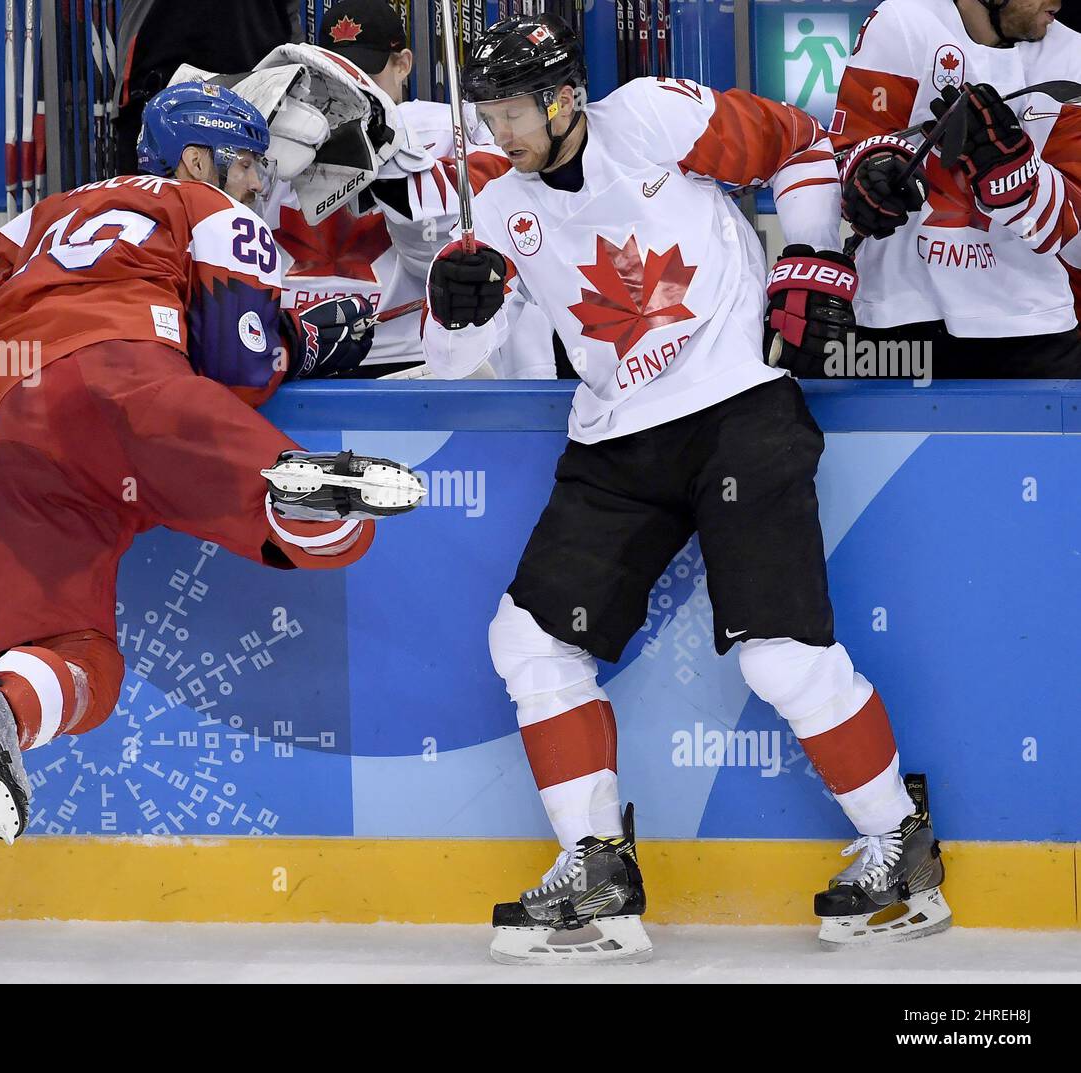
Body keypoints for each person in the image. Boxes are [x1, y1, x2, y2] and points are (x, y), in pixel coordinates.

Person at [423, 13, 949, 962]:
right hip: (618, 442)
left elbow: (801, 142)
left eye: (510, 109)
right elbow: (451, 367)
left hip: (738, 406)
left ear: (563, 96)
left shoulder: (654, 116)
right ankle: (597, 865)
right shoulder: (498, 208)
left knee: (778, 658)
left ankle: (898, 843)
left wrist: (809, 254)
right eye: (486, 111)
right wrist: (452, 307)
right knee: (527, 640)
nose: (498, 131)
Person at [0, 83, 422, 844]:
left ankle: (1, 712)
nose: (257, 183)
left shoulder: (47, 214)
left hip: (21, 431)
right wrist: (297, 338)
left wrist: (43, 324)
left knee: (75, 656)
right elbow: (239, 368)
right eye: (247, 163)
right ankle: (295, 495)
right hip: (133, 393)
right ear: (196, 159)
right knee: (343, 537)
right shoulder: (206, 207)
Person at [223, 0, 556, 377]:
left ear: (403, 64)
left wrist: (390, 160)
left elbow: (500, 201)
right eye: (337, 72)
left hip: (408, 358)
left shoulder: (447, 125)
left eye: (365, 71)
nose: (353, 87)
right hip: (296, 350)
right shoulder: (278, 131)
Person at [835, 0, 1081, 377]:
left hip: (1031, 324)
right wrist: (870, 176)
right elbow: (845, 158)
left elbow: (1076, 241)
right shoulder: (904, 21)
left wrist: (1018, 177)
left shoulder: (1072, 56)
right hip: (897, 317)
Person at [113, 0, 302, 175]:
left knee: (253, 199)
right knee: (152, 203)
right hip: (160, 92)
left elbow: (288, 13)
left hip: (258, 93)